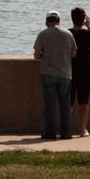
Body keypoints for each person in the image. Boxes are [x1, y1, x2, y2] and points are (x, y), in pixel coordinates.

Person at [33, 12, 77, 140]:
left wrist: (44, 55)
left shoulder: (43, 34)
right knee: (65, 105)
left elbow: (36, 55)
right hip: (65, 74)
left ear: (47, 22)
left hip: (48, 73)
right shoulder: (68, 34)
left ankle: (50, 133)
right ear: (59, 21)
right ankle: (66, 133)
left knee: (49, 105)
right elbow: (74, 53)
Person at [70, 7, 90, 136]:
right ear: (84, 19)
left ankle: (66, 128)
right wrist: (89, 26)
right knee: (84, 100)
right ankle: (82, 129)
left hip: (70, 69)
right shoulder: (88, 33)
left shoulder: (68, 33)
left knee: (68, 101)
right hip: (86, 69)